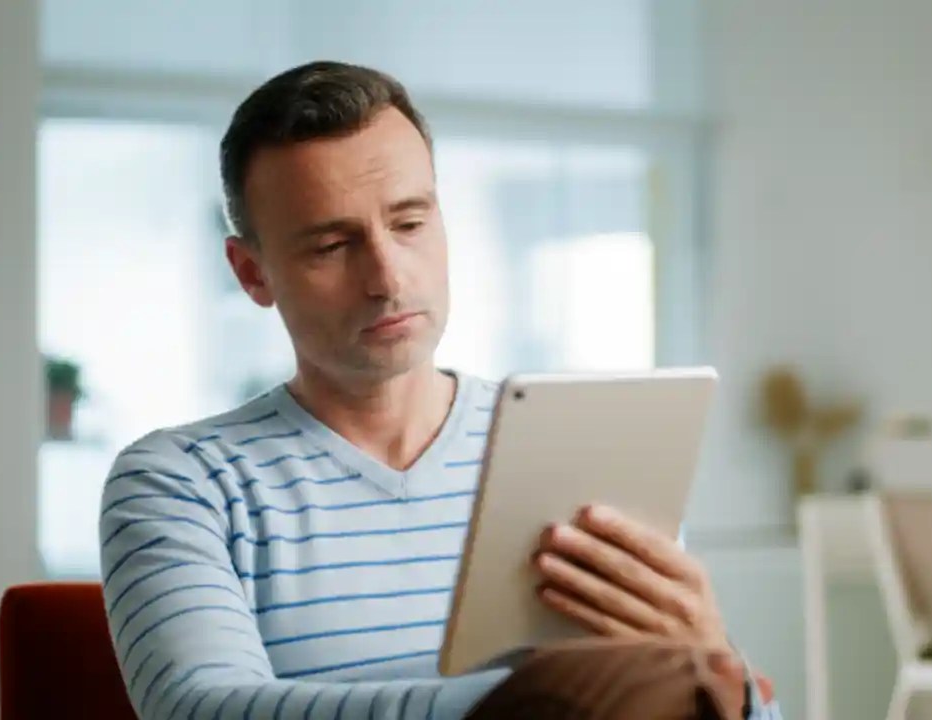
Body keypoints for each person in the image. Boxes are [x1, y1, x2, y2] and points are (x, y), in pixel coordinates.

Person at [99, 61, 781, 720]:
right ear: (252, 274)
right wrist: (548, 703)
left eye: (409, 223)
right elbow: (200, 711)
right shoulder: (179, 481)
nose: (388, 278)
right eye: (332, 244)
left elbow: (705, 698)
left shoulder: (585, 453)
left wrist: (718, 671)